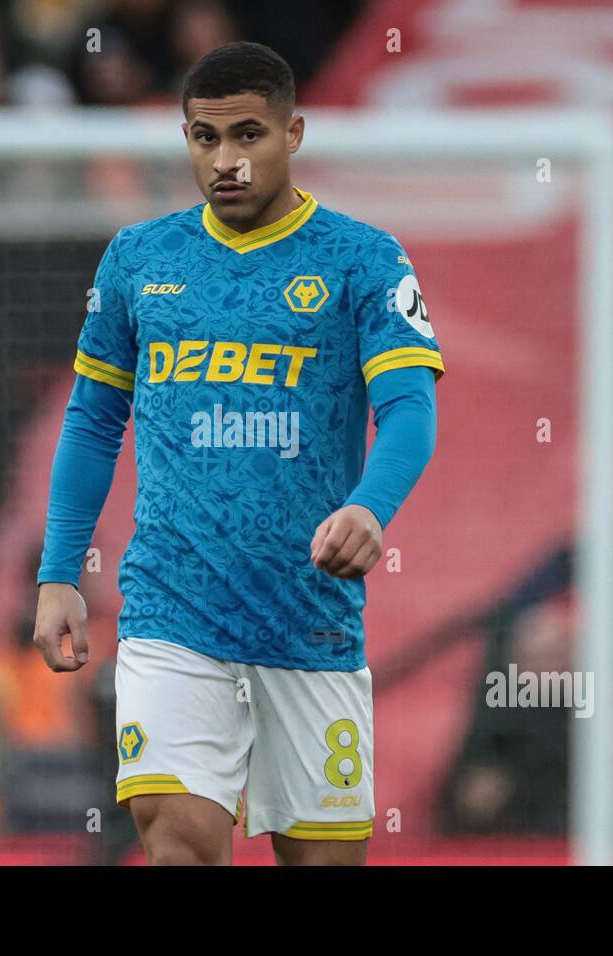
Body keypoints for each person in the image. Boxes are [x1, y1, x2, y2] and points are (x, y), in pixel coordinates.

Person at [32, 41, 442, 865]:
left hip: (310, 621)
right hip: (170, 612)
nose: (225, 160)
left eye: (248, 135)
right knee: (178, 844)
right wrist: (57, 573)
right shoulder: (139, 260)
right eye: (204, 138)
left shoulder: (362, 259)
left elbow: (410, 409)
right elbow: (91, 421)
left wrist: (370, 504)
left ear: (293, 132)